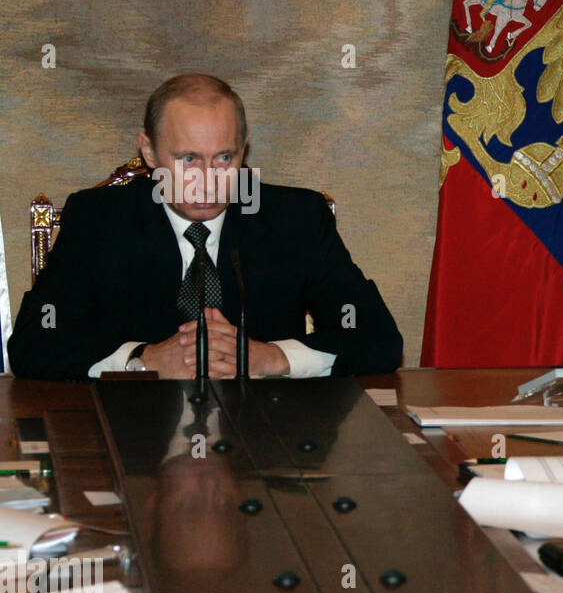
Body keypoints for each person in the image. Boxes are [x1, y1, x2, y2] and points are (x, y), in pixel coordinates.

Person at [8, 74, 402, 380]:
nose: (208, 181)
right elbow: (34, 340)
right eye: (188, 160)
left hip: (266, 438)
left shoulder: (294, 218)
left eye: (225, 158)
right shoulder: (99, 219)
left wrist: (272, 357)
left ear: (244, 149)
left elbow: (376, 336)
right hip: (138, 442)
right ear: (148, 151)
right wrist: (141, 360)